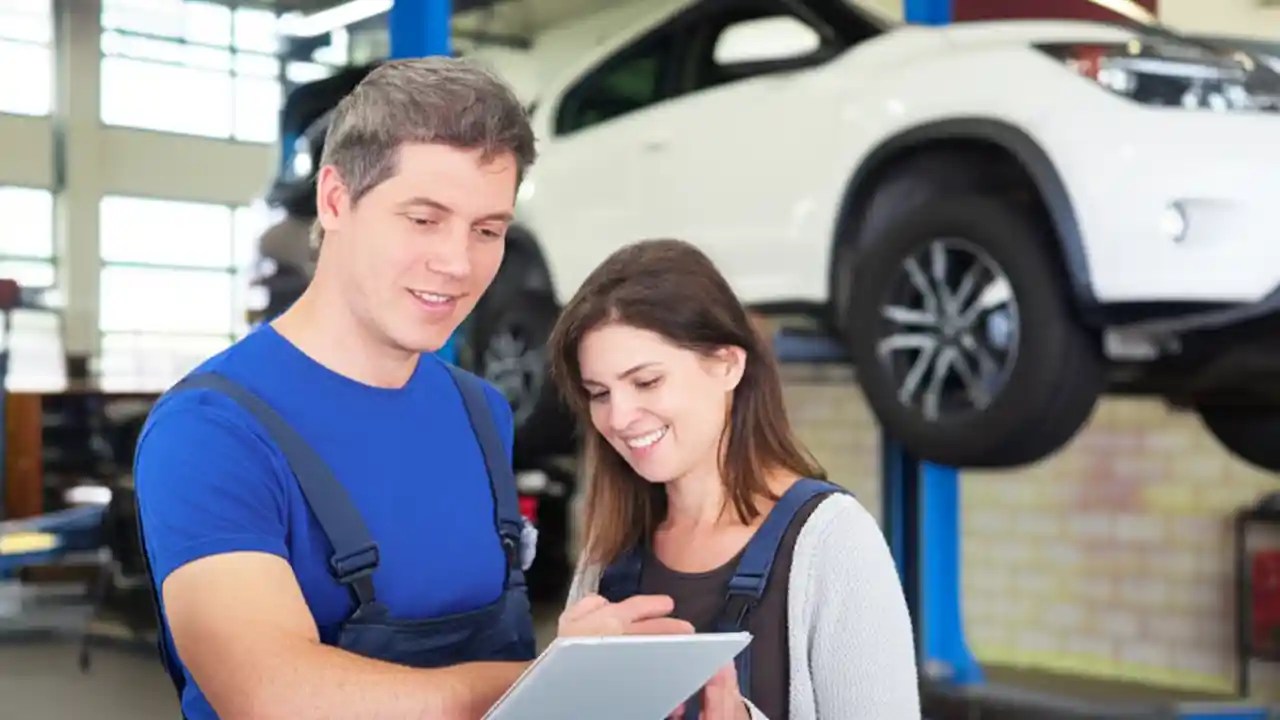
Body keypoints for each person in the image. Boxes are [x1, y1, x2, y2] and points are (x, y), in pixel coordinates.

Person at [132, 58, 689, 720]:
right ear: (335, 199)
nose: (458, 263)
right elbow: (273, 697)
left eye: (488, 230)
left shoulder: (480, 413)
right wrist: (547, 678)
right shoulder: (210, 433)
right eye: (423, 219)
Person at [547, 239, 922, 720]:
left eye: (646, 382)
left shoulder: (832, 542)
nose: (618, 417)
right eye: (599, 393)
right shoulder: (610, 552)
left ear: (727, 364)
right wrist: (561, 691)